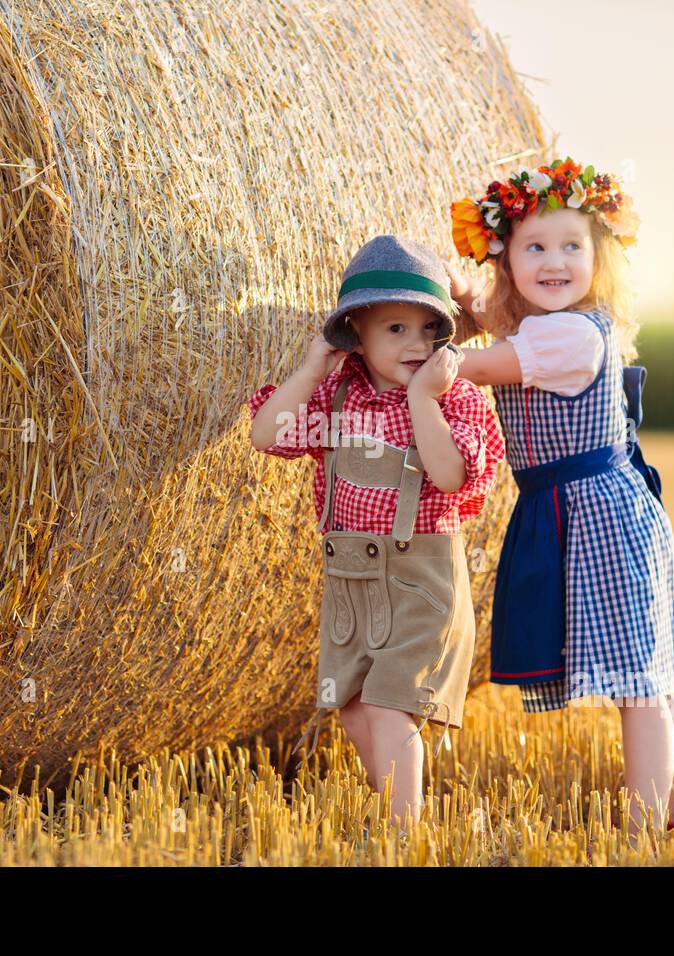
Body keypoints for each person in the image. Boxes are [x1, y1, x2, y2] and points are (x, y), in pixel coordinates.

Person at [446, 158, 674, 847]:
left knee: (643, 683)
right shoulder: (557, 325)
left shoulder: (568, 335)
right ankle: (669, 813)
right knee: (653, 678)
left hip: (599, 517)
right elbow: (495, 326)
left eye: (572, 246)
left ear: (598, 258)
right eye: (533, 248)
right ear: (506, 260)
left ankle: (644, 828)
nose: (554, 262)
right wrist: (467, 304)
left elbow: (473, 364)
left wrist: (409, 344)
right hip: (596, 510)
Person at [246, 234, 505, 830]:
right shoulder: (339, 395)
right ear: (355, 333)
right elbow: (266, 435)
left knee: (391, 710)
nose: (415, 344)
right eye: (395, 328)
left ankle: (401, 836)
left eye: (428, 330)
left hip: (422, 585)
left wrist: (423, 398)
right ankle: (405, 805)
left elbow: (449, 473)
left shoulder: (455, 399)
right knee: (356, 710)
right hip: (351, 586)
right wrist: (312, 368)